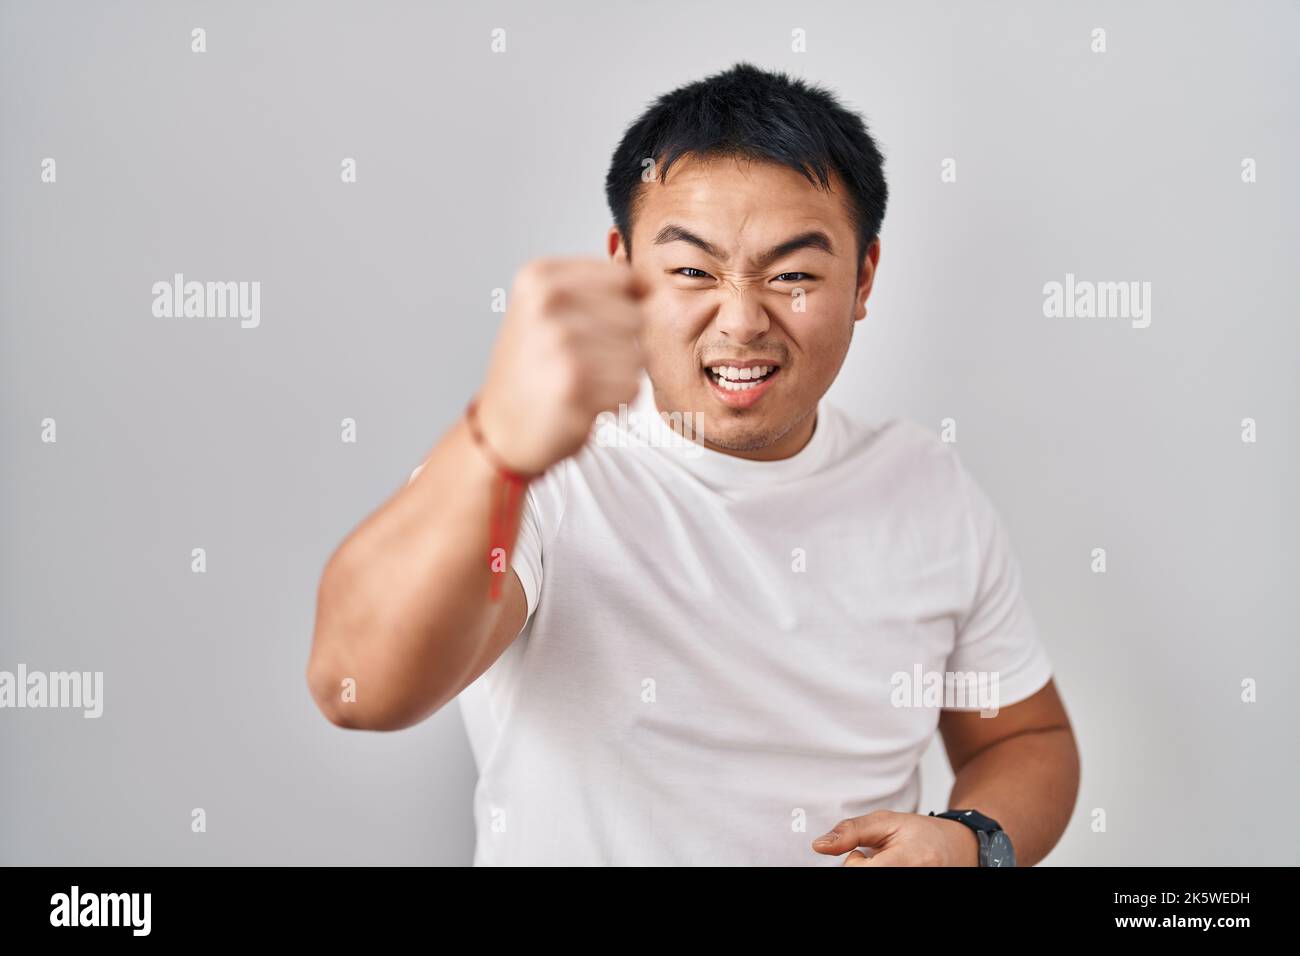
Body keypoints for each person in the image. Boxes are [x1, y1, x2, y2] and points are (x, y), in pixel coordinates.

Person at [306, 62, 1080, 866]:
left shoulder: (927, 487)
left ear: (863, 279)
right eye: (692, 272)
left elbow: (1028, 737)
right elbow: (356, 688)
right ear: (623, 268)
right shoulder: (536, 475)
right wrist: (495, 443)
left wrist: (972, 844)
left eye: (793, 275)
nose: (742, 320)